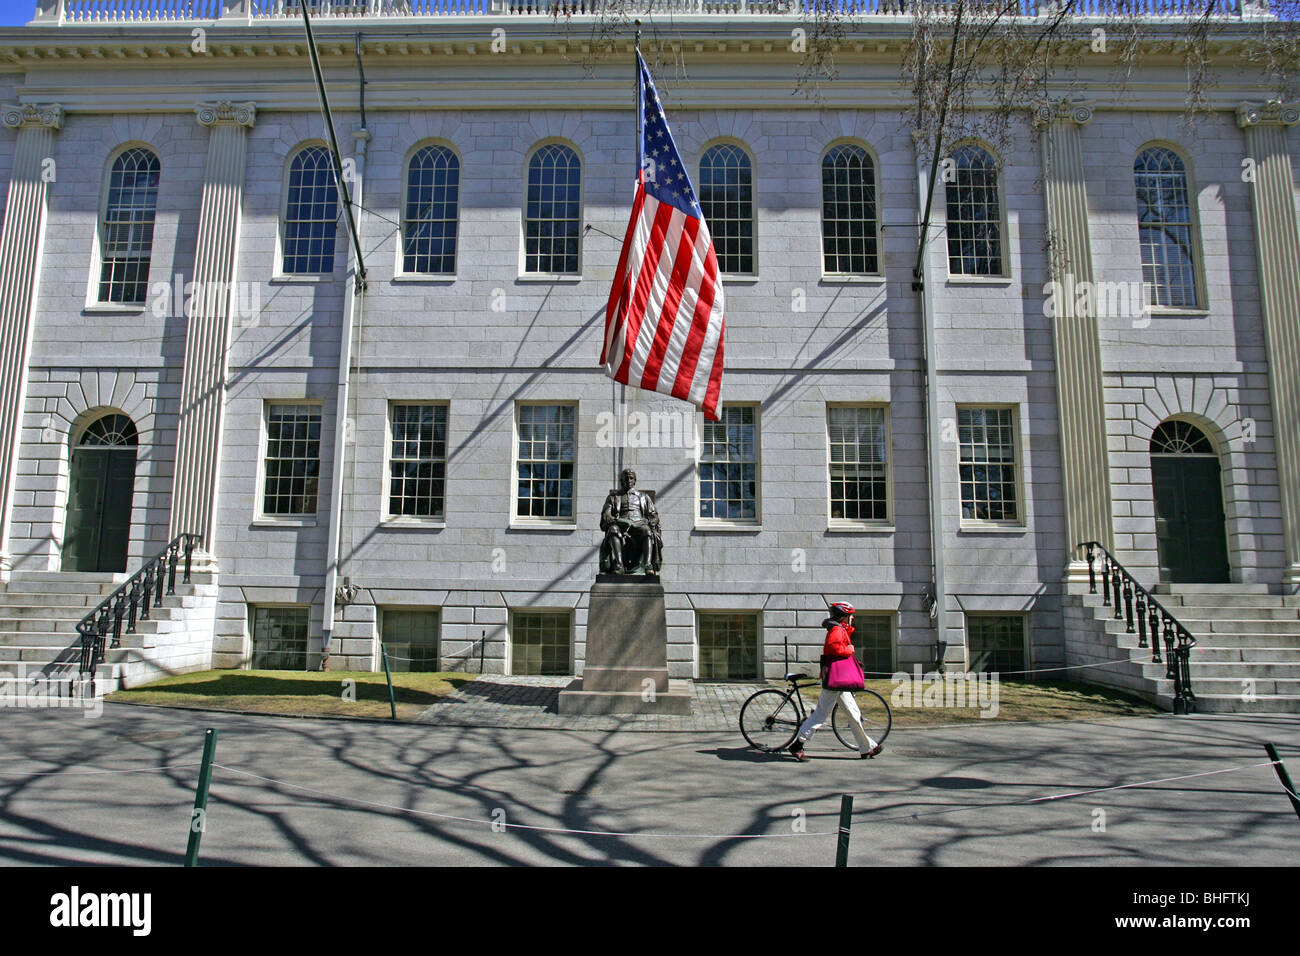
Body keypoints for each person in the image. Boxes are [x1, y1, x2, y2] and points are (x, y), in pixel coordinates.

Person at [788, 601, 883, 762]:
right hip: (835, 679)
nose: (852, 618)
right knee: (820, 715)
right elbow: (833, 648)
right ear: (844, 617)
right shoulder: (837, 630)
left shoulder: (839, 629)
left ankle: (867, 748)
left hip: (839, 680)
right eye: (850, 615)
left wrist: (848, 635)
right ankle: (797, 745)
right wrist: (850, 649)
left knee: (853, 714)